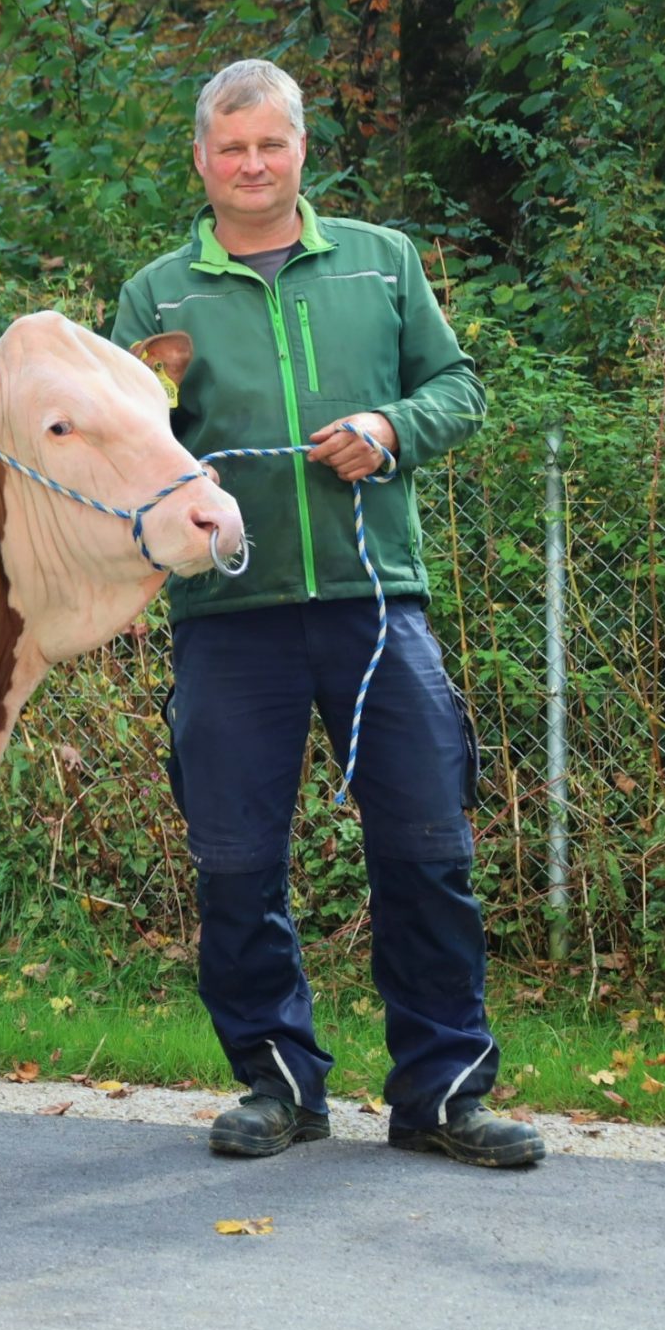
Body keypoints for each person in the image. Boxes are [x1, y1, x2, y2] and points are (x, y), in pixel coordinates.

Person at [110, 58, 543, 1167]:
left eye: (272, 145)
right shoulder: (155, 295)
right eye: (230, 148)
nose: (252, 165)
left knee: (426, 848)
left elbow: (456, 388)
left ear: (301, 150)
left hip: (376, 606)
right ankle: (277, 1085)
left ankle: (441, 1095)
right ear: (200, 160)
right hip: (228, 617)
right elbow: (124, 449)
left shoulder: (379, 262)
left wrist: (390, 429)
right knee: (235, 861)